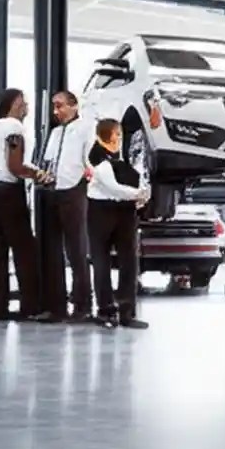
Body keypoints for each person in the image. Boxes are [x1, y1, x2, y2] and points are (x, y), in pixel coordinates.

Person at [0, 89, 51, 321]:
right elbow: (15, 166)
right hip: (8, 192)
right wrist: (39, 174)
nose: (26, 106)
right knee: (25, 250)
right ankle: (31, 307)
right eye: (22, 102)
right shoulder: (13, 127)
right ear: (12, 105)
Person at [35, 90, 96, 323]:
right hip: (53, 192)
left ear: (74, 105)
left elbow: (90, 161)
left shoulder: (85, 128)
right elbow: (49, 161)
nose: (56, 111)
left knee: (77, 250)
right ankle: (55, 306)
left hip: (75, 190)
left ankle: (82, 305)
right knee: (52, 251)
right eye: (54, 107)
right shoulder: (55, 132)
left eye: (60, 106)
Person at [86, 119, 150, 330]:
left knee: (129, 261)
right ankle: (105, 310)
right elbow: (112, 187)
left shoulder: (127, 158)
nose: (119, 138)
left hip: (125, 212)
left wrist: (142, 196)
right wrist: (137, 194)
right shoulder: (98, 159)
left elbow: (140, 180)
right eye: (117, 134)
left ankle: (126, 312)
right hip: (101, 210)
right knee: (101, 260)